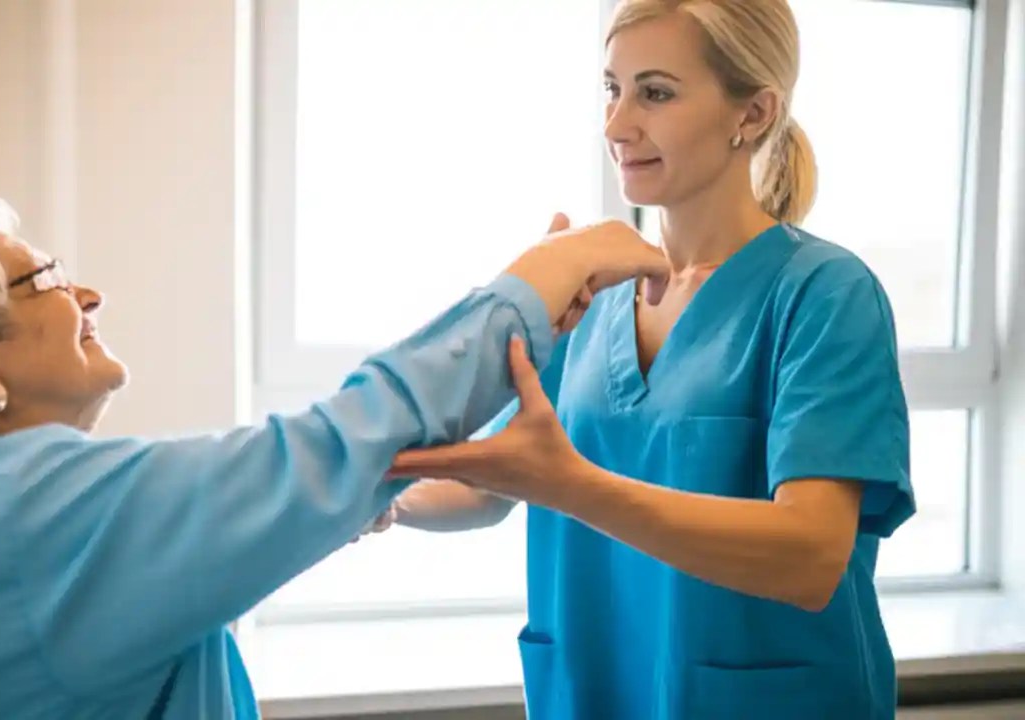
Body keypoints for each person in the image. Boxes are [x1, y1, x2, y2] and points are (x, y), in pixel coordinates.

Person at [0, 186, 666, 719]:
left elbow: (302, 484)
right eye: (46, 279)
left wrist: (446, 469)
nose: (87, 293)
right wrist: (554, 268)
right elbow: (325, 448)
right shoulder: (29, 522)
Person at [380, 2, 915, 718]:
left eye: (655, 93)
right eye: (612, 88)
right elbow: (489, 483)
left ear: (752, 114)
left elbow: (811, 555)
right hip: (598, 690)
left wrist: (571, 487)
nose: (615, 125)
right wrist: (376, 492)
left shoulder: (823, 295)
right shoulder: (590, 291)